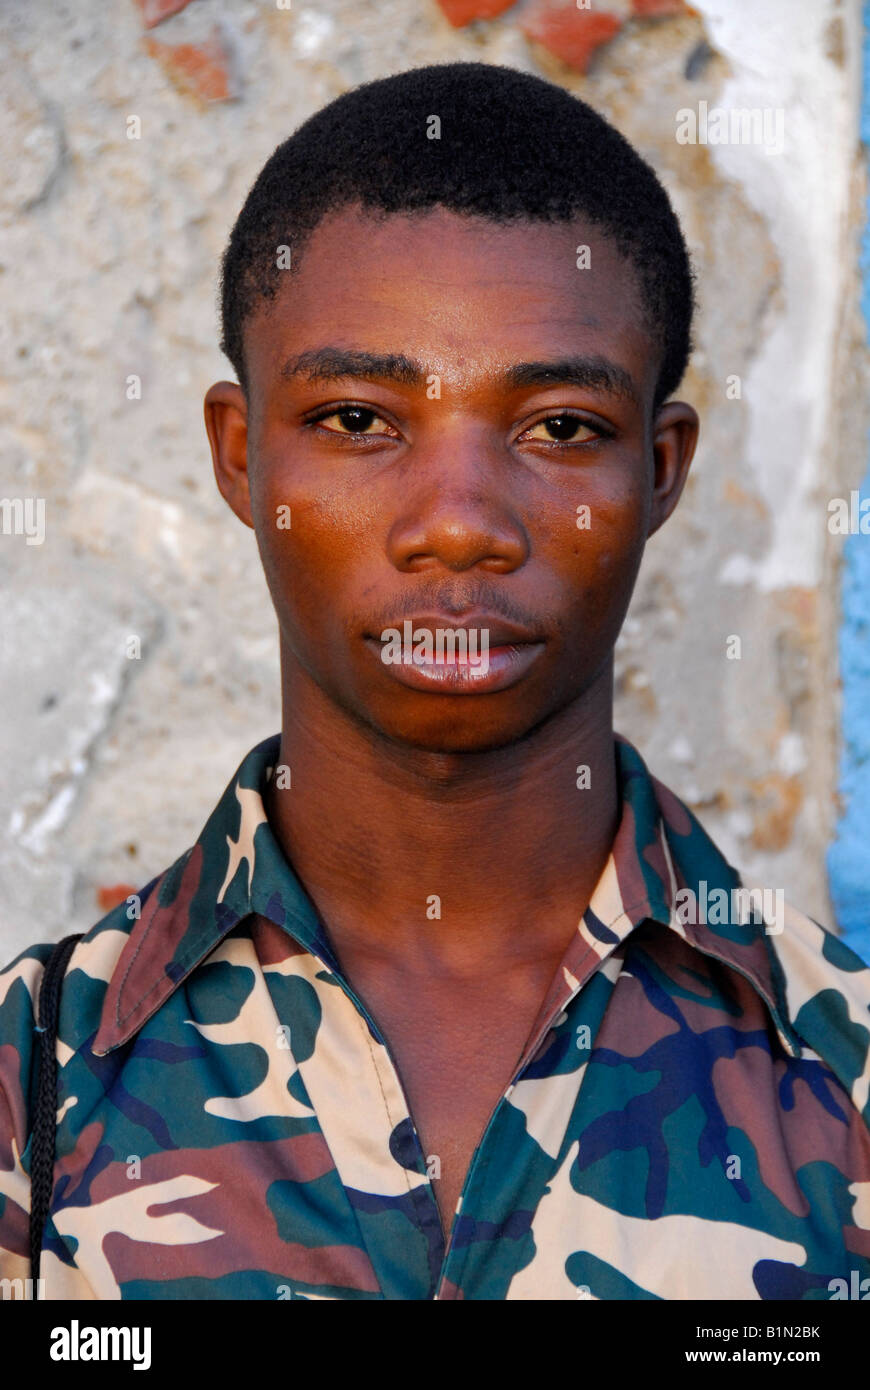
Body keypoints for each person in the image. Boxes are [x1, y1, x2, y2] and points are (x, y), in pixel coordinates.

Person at [2, 61, 869, 1303]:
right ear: (242, 458)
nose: (459, 524)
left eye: (560, 426)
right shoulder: (32, 1084)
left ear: (660, 469)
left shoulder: (845, 1076)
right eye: (359, 420)